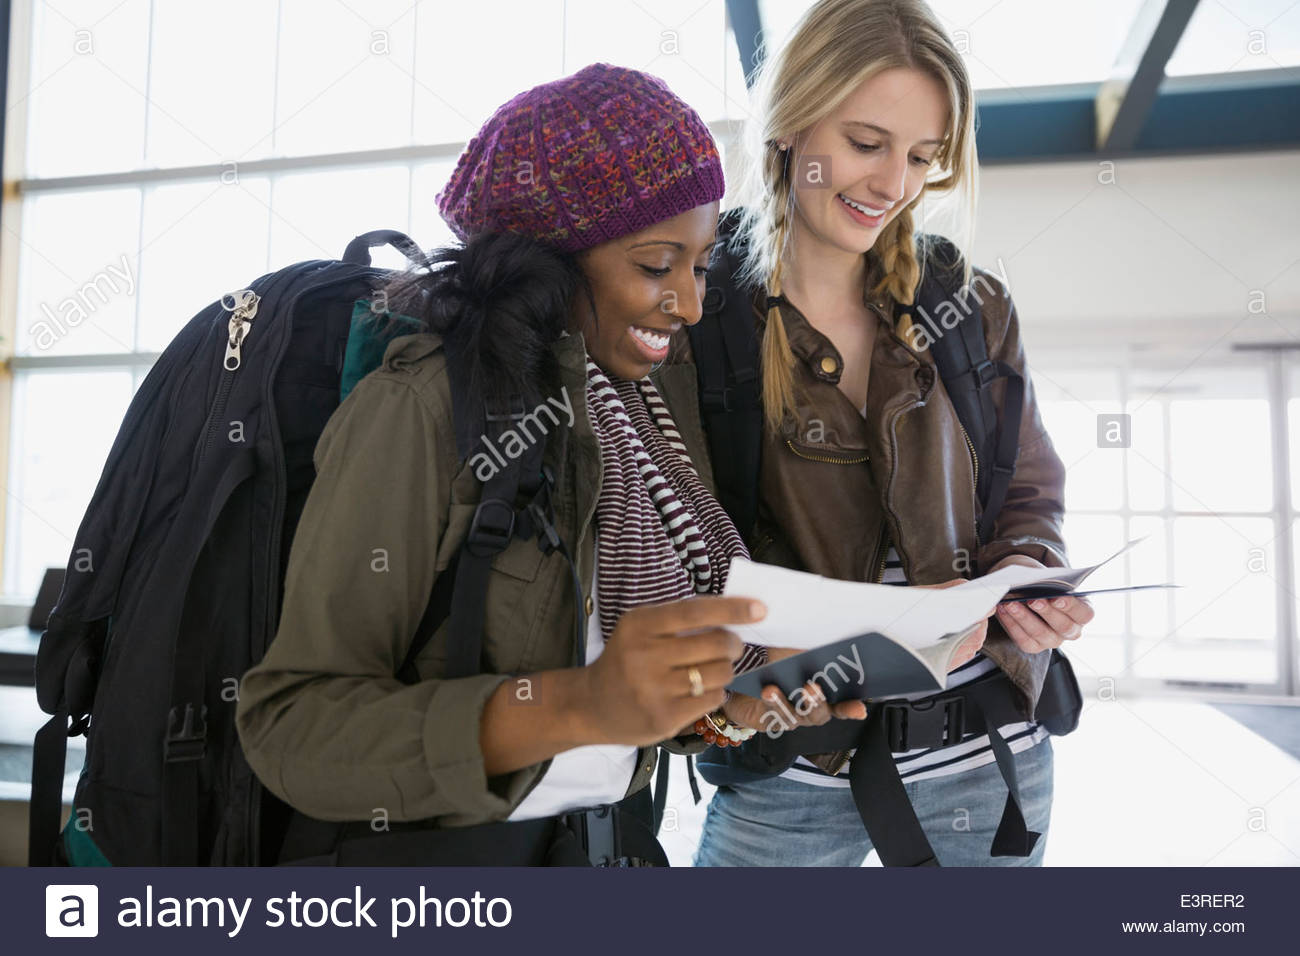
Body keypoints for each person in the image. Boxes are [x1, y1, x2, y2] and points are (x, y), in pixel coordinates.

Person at [234, 63, 783, 866]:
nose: (692, 305)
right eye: (658, 265)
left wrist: (740, 704)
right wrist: (577, 704)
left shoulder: (636, 410)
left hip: (609, 855)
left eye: (700, 266)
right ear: (552, 260)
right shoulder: (423, 407)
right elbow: (292, 724)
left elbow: (619, 709)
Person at [688, 0, 1094, 867]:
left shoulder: (970, 300)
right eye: (868, 143)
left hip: (986, 749)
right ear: (792, 121)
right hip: (793, 761)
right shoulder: (700, 308)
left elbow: (1026, 488)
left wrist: (1026, 571)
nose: (894, 184)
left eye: (922, 157)